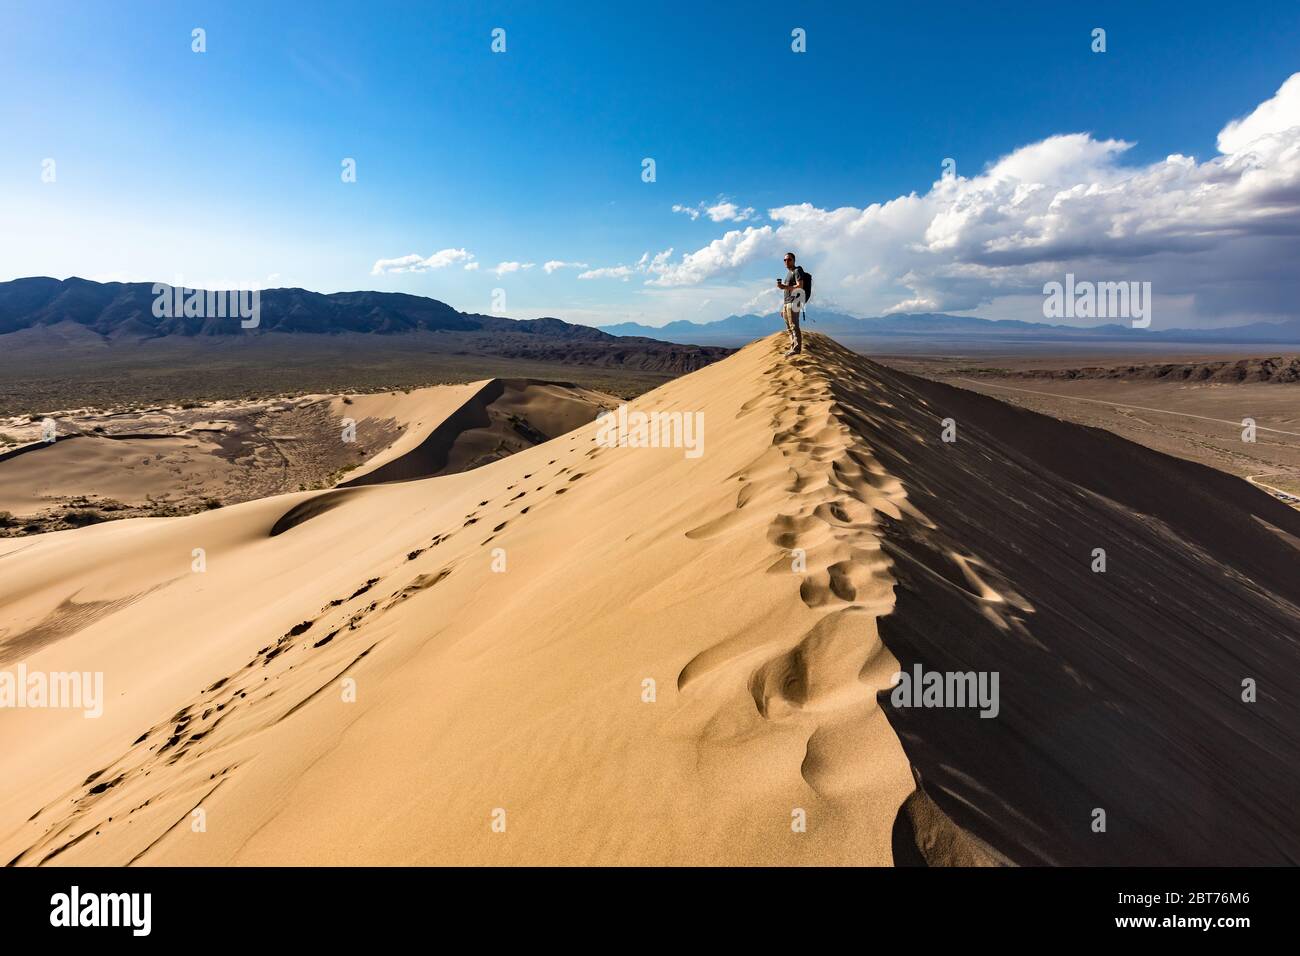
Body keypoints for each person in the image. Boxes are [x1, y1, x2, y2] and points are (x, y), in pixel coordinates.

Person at [776, 252, 807, 356]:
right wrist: (783, 307)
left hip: (794, 302)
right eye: (785, 260)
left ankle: (796, 349)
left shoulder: (797, 270)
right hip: (787, 303)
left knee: (794, 326)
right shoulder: (789, 273)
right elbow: (788, 291)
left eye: (789, 259)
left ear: (794, 260)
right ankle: (792, 347)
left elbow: (800, 286)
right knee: (789, 328)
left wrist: (784, 287)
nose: (786, 262)